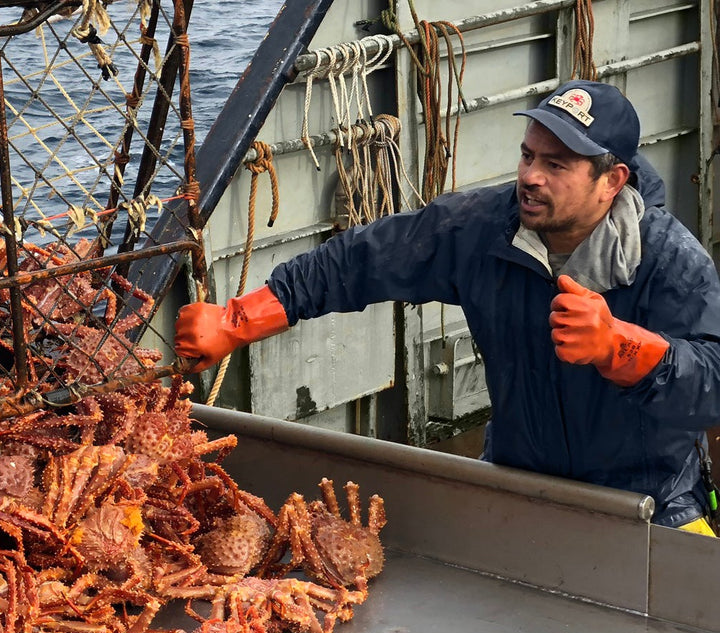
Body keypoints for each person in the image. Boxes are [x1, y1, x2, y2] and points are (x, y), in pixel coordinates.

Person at [176, 79, 720, 533]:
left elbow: (712, 386)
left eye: (557, 165)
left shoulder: (671, 261)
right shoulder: (483, 229)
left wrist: (620, 349)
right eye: (528, 155)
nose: (531, 176)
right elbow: (359, 259)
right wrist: (235, 320)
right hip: (519, 488)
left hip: (654, 509)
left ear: (612, 181)